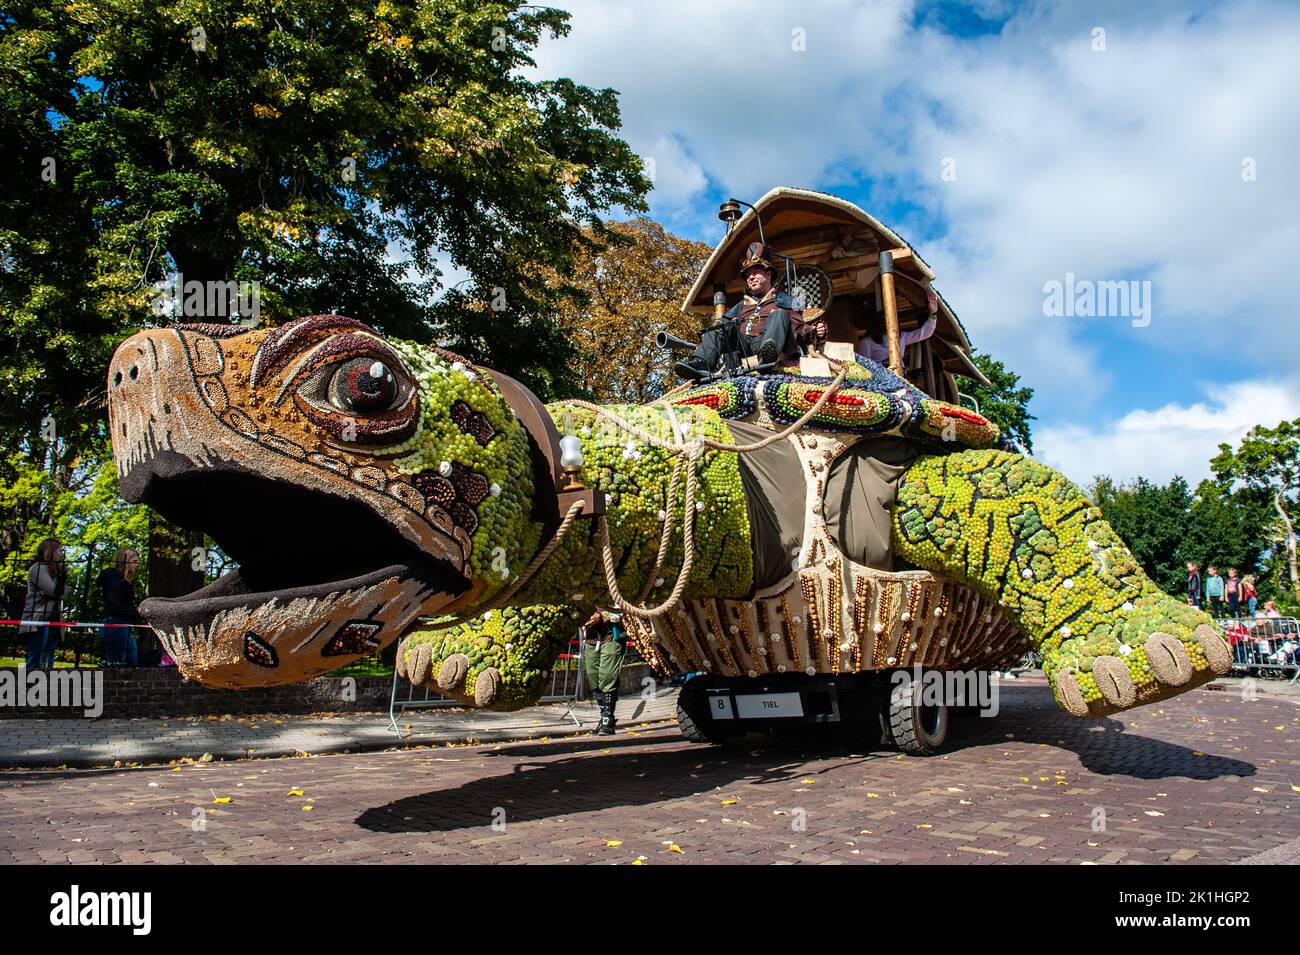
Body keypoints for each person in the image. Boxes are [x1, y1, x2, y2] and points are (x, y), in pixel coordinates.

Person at [675, 242, 823, 380]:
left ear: (768, 274)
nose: (751, 277)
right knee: (720, 325)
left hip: (770, 344)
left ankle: (767, 357)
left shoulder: (785, 301)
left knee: (778, 314)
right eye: (747, 275)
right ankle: (701, 363)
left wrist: (814, 331)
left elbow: (799, 327)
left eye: (756, 272)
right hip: (743, 346)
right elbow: (719, 333)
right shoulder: (740, 306)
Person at [855, 287, 939, 367]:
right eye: (885, 321)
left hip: (898, 378)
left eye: (893, 321)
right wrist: (883, 365)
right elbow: (863, 368)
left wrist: (933, 313)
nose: (889, 324)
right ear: (877, 324)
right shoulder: (866, 343)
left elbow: (924, 333)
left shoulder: (901, 337)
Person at [582, 607, 628, 735]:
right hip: (592, 639)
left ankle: (608, 718)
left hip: (611, 635)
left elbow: (621, 609)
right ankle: (603, 717)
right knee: (593, 676)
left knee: (607, 676)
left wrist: (602, 615)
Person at [20, 538, 65, 670]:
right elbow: (52, 591)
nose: (60, 554)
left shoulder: (56, 570)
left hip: (53, 616)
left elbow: (64, 593)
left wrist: (57, 590)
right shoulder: (39, 569)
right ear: (50, 551)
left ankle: (45, 682)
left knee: (49, 654)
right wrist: (57, 590)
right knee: (36, 653)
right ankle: (30, 681)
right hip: (39, 616)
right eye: (58, 550)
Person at [98, 547, 141, 666]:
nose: (136, 565)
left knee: (131, 656)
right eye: (134, 562)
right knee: (116, 662)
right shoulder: (116, 580)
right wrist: (134, 612)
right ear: (124, 562)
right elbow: (114, 604)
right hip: (115, 623)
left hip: (121, 622)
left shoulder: (122, 580)